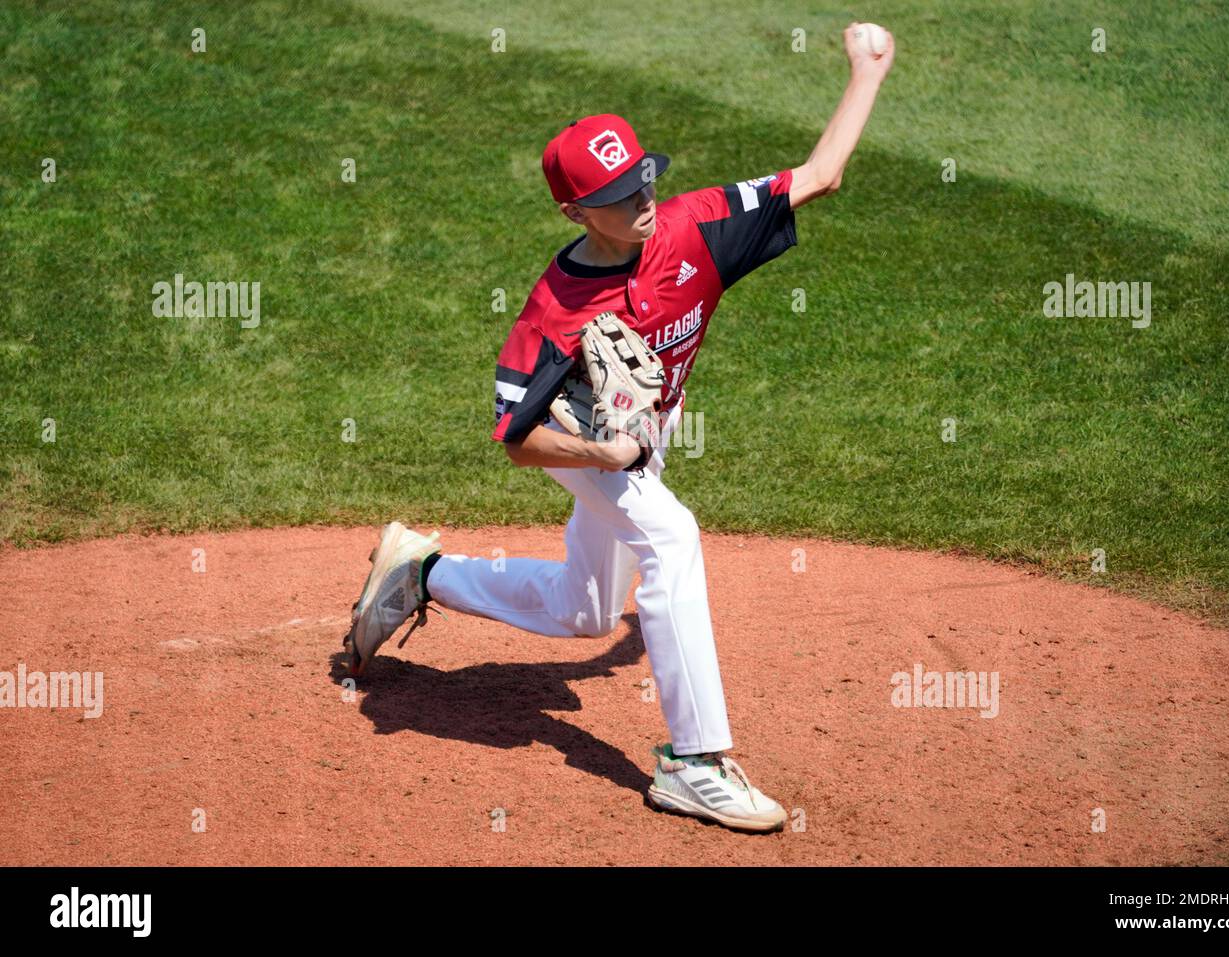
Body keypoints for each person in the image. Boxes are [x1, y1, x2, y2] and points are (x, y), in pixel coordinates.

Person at [344, 23, 895, 833]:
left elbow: (821, 174)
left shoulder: (695, 228)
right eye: (616, 198)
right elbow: (516, 441)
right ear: (574, 209)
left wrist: (868, 70)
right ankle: (696, 763)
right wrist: (604, 450)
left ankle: (421, 572)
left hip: (638, 438)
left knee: (589, 609)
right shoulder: (553, 313)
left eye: (643, 181)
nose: (640, 201)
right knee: (671, 536)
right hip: (581, 438)